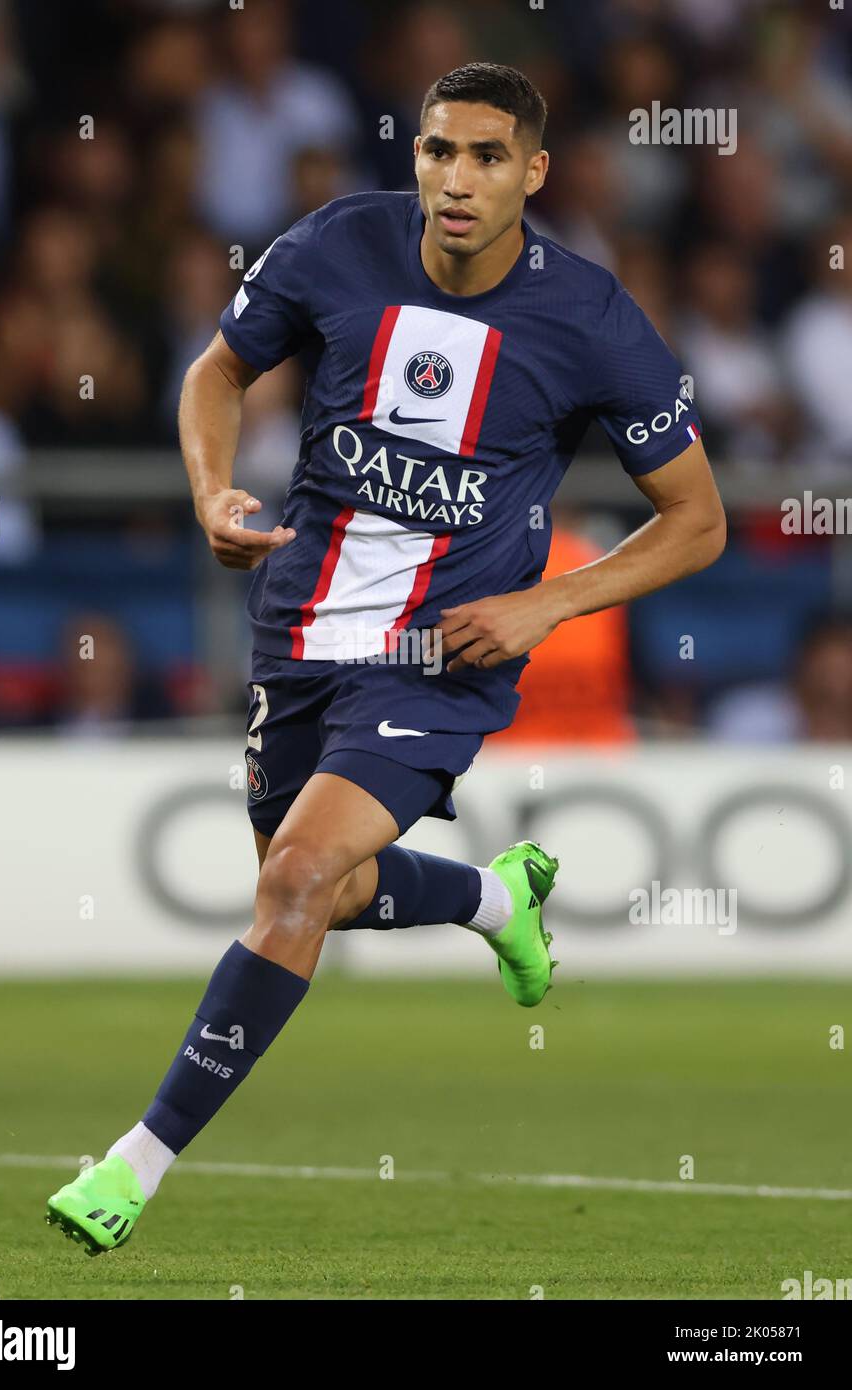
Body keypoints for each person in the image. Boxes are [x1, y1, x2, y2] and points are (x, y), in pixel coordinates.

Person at [47, 63, 725, 1254]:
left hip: (445, 650)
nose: (455, 181)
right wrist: (210, 490)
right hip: (300, 624)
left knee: (295, 880)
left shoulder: (592, 319)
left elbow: (697, 519)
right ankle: (489, 895)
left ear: (533, 173)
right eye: (436, 153)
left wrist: (547, 604)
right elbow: (216, 371)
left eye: (485, 158)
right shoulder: (335, 245)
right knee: (316, 893)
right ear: (413, 156)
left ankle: (131, 1166)